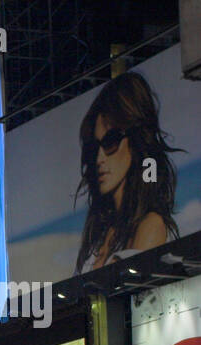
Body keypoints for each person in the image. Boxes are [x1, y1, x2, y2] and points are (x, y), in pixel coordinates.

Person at [75, 70, 181, 274]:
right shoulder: (101, 232)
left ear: (135, 141)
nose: (99, 159)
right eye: (93, 147)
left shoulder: (150, 224)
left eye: (110, 142)